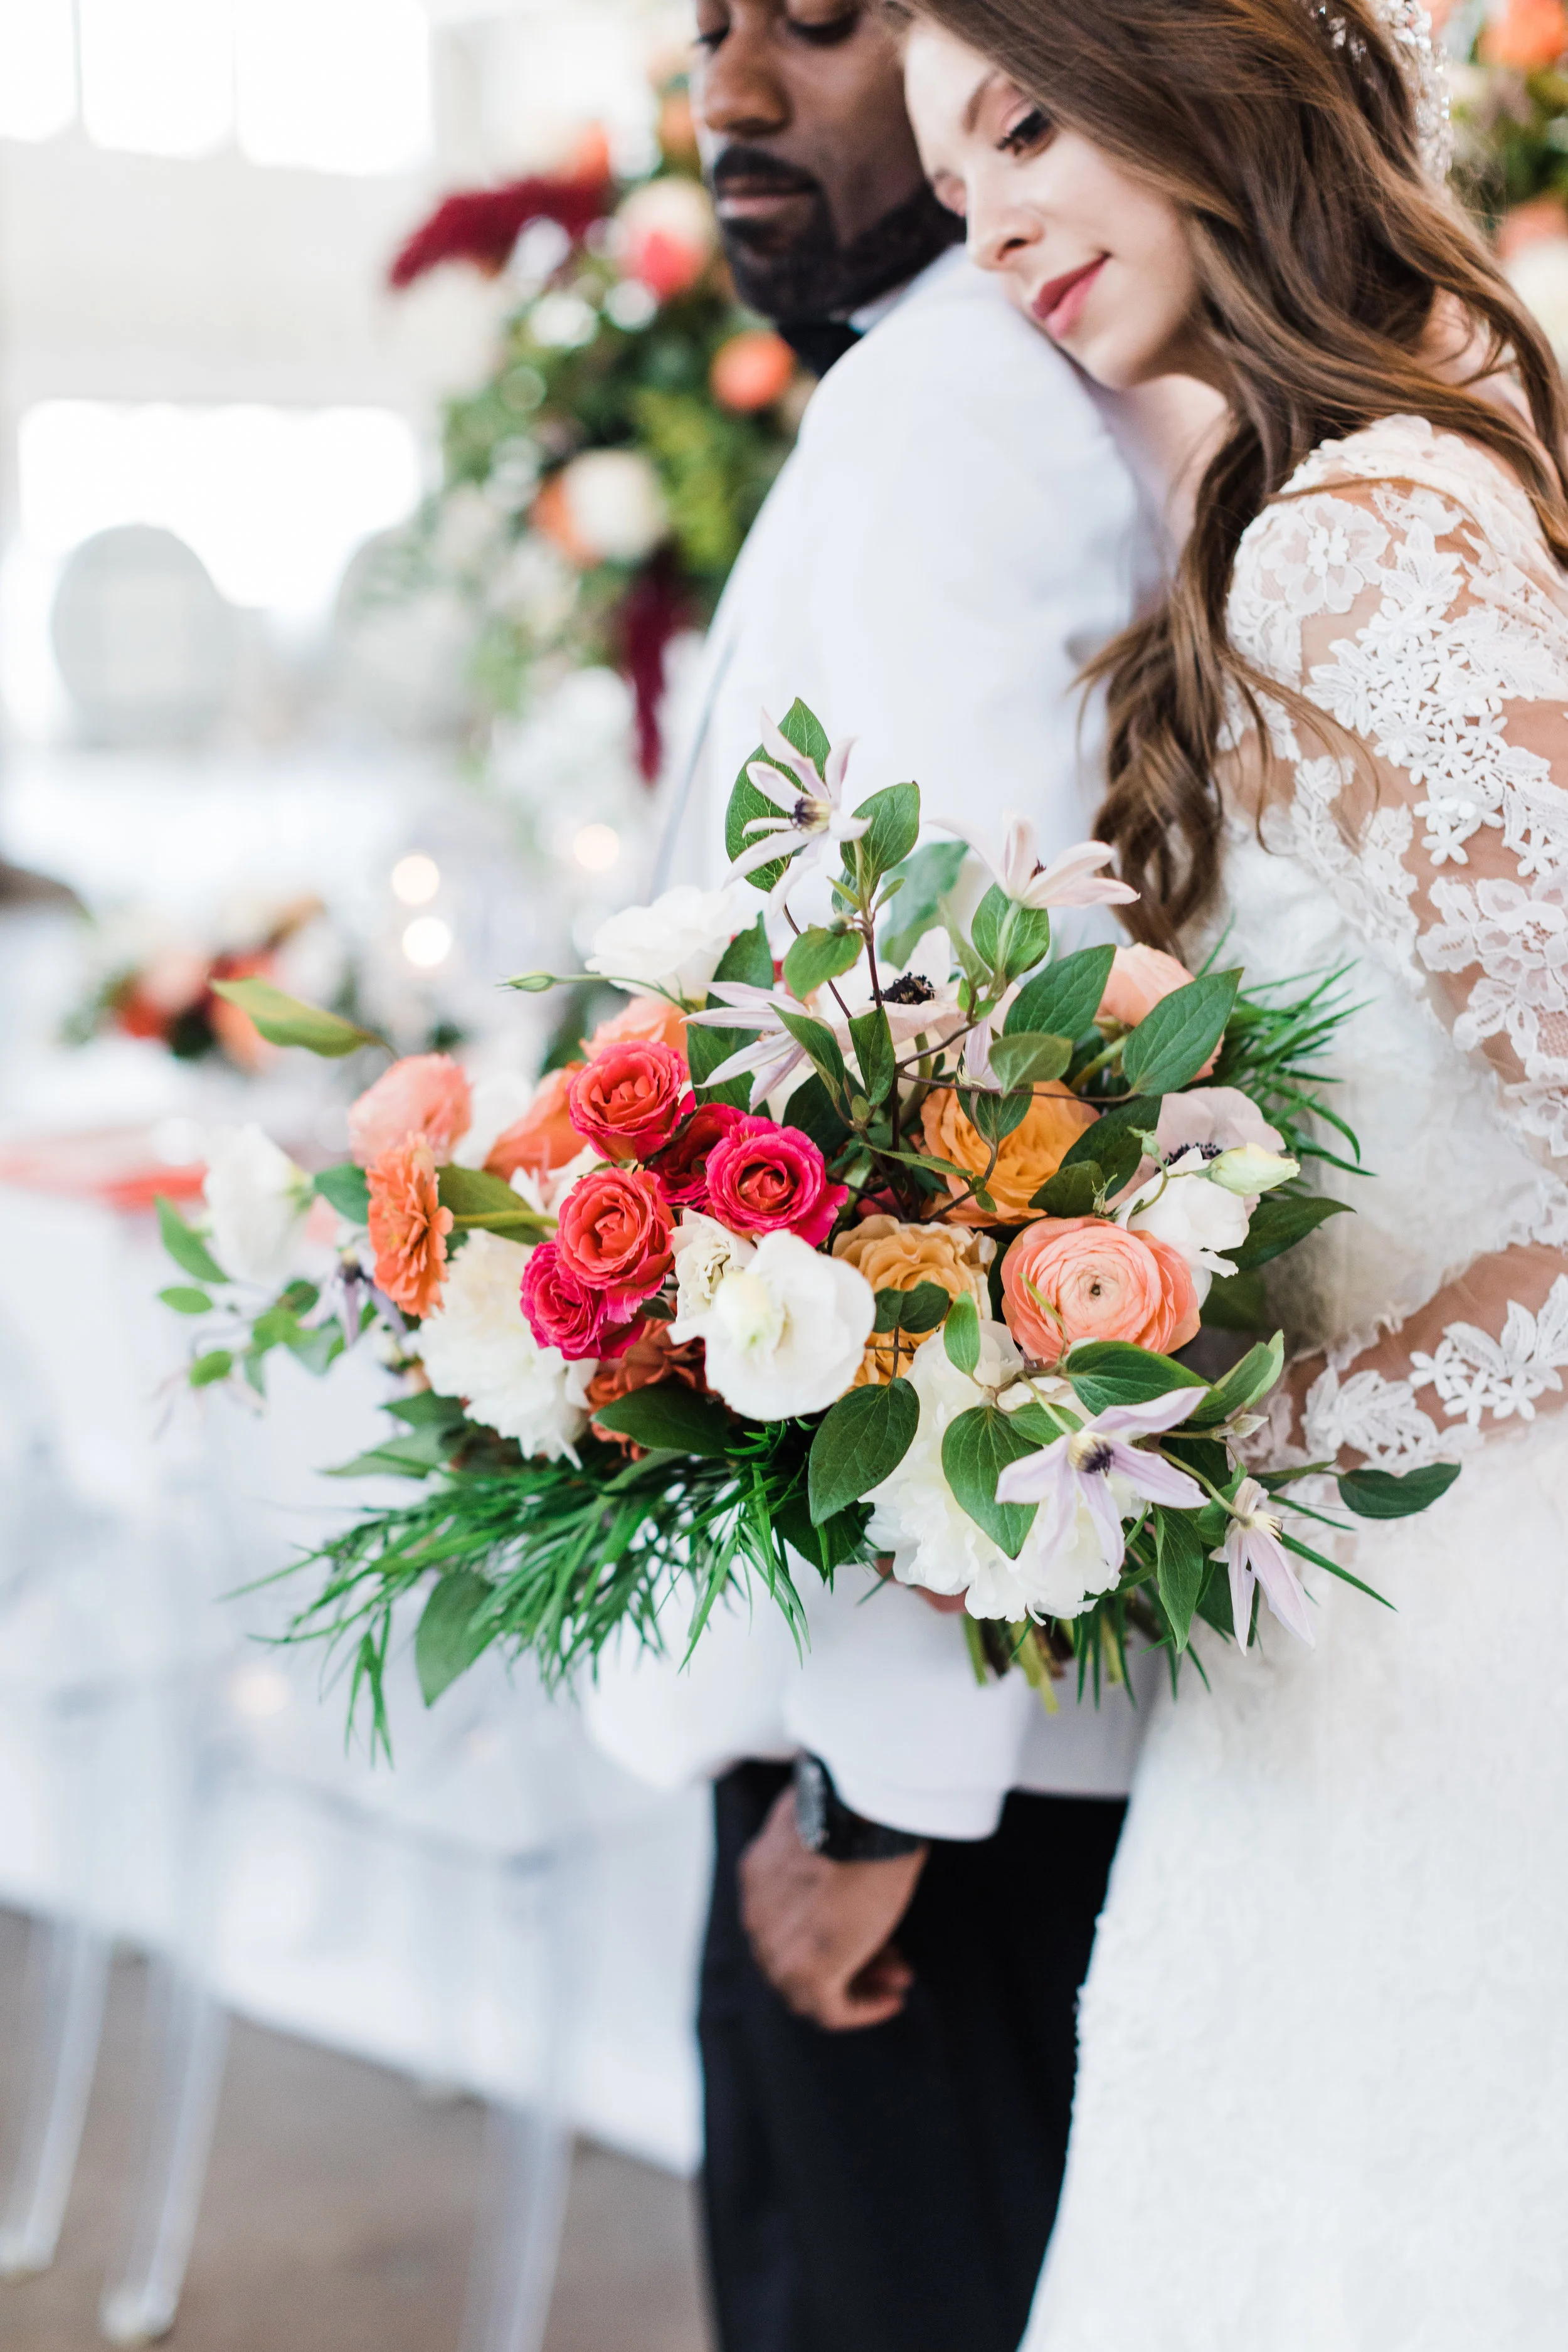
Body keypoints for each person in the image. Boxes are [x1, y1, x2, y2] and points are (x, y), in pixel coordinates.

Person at [894, 0, 1568, 2341]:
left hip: (1448, 1640)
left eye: (1024, 123)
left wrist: (1237, 1445)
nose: (989, 223)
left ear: (1194, 72)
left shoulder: (1347, 558)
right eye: (951, 185)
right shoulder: (1386, 488)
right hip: (1388, 1621)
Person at [583, 8, 1216, 2350]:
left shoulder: (961, 400)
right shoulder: (982, 374)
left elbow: (971, 1118)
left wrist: (881, 1788)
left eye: (822, 22)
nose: (736, 90)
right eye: (707, 27)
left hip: (945, 1732)